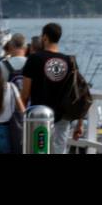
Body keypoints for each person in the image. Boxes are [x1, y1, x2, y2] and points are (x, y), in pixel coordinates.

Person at [20, 23, 88, 154]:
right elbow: (78, 94)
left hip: (38, 116)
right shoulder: (69, 61)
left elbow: (25, 94)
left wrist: (21, 116)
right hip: (62, 118)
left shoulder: (34, 59)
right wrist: (80, 123)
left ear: (45, 37)